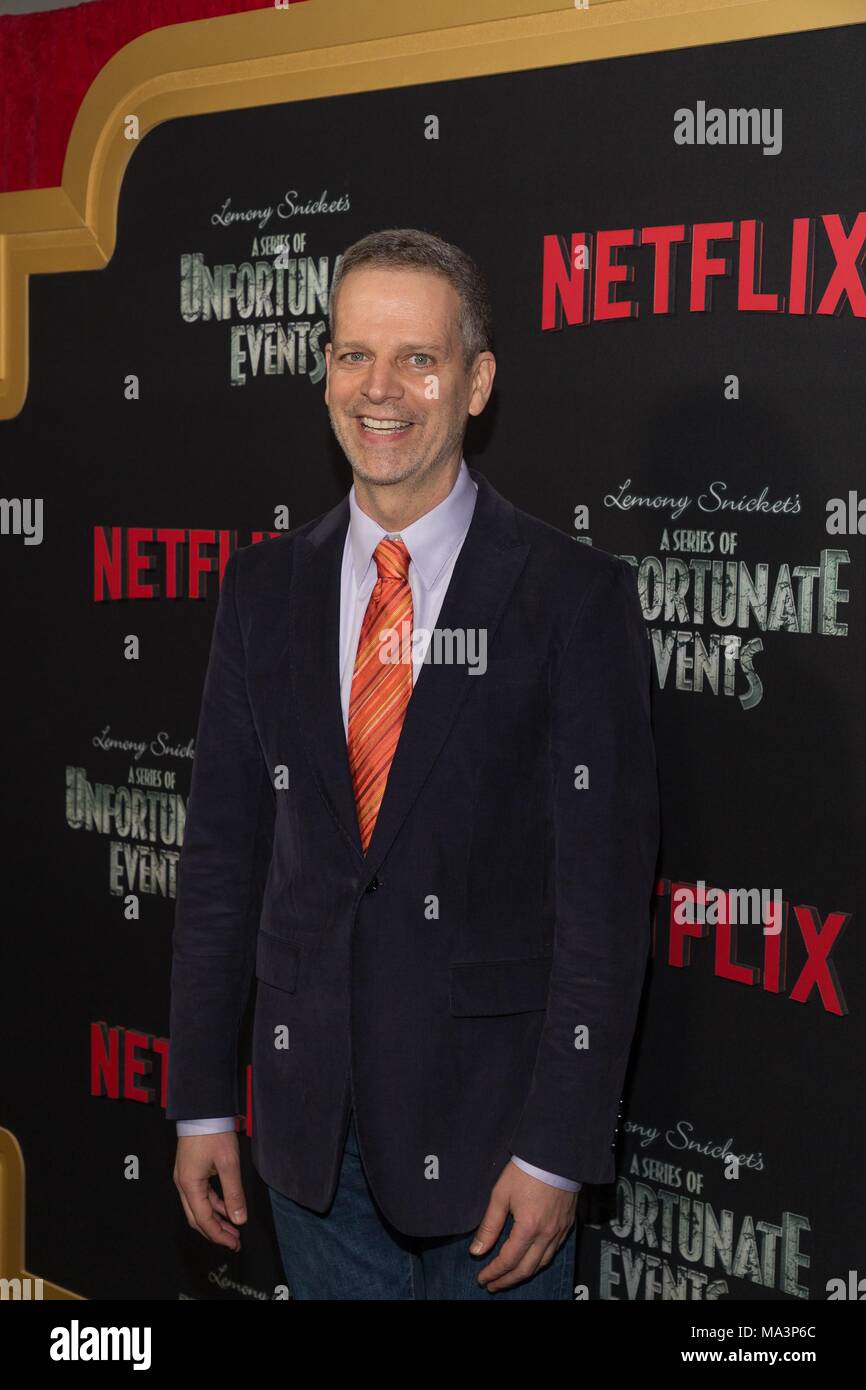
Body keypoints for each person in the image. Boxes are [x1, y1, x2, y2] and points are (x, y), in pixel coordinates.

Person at [168, 227, 660, 1300]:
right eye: (352, 354)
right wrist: (203, 1101)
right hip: (309, 1150)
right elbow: (220, 866)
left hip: (498, 1153)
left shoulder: (570, 598)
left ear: (475, 382)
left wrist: (557, 1148)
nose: (377, 388)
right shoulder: (261, 594)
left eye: (417, 358)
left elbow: (604, 903)